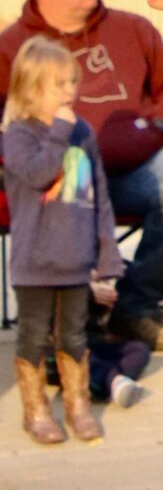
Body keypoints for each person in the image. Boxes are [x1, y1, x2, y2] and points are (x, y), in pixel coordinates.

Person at [0, 0, 163, 349]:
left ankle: (136, 306)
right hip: (58, 180)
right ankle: (73, 323)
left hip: (136, 171)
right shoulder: (12, 47)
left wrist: (158, 128)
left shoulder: (131, 28)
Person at [3, 35, 124, 445]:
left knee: (75, 335)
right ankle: (36, 411)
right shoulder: (18, 135)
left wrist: (107, 256)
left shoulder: (83, 133)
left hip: (76, 260)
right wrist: (58, 133)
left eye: (73, 82)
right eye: (61, 84)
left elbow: (100, 197)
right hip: (34, 264)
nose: (71, 92)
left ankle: (77, 406)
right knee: (34, 336)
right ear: (32, 88)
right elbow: (39, 173)